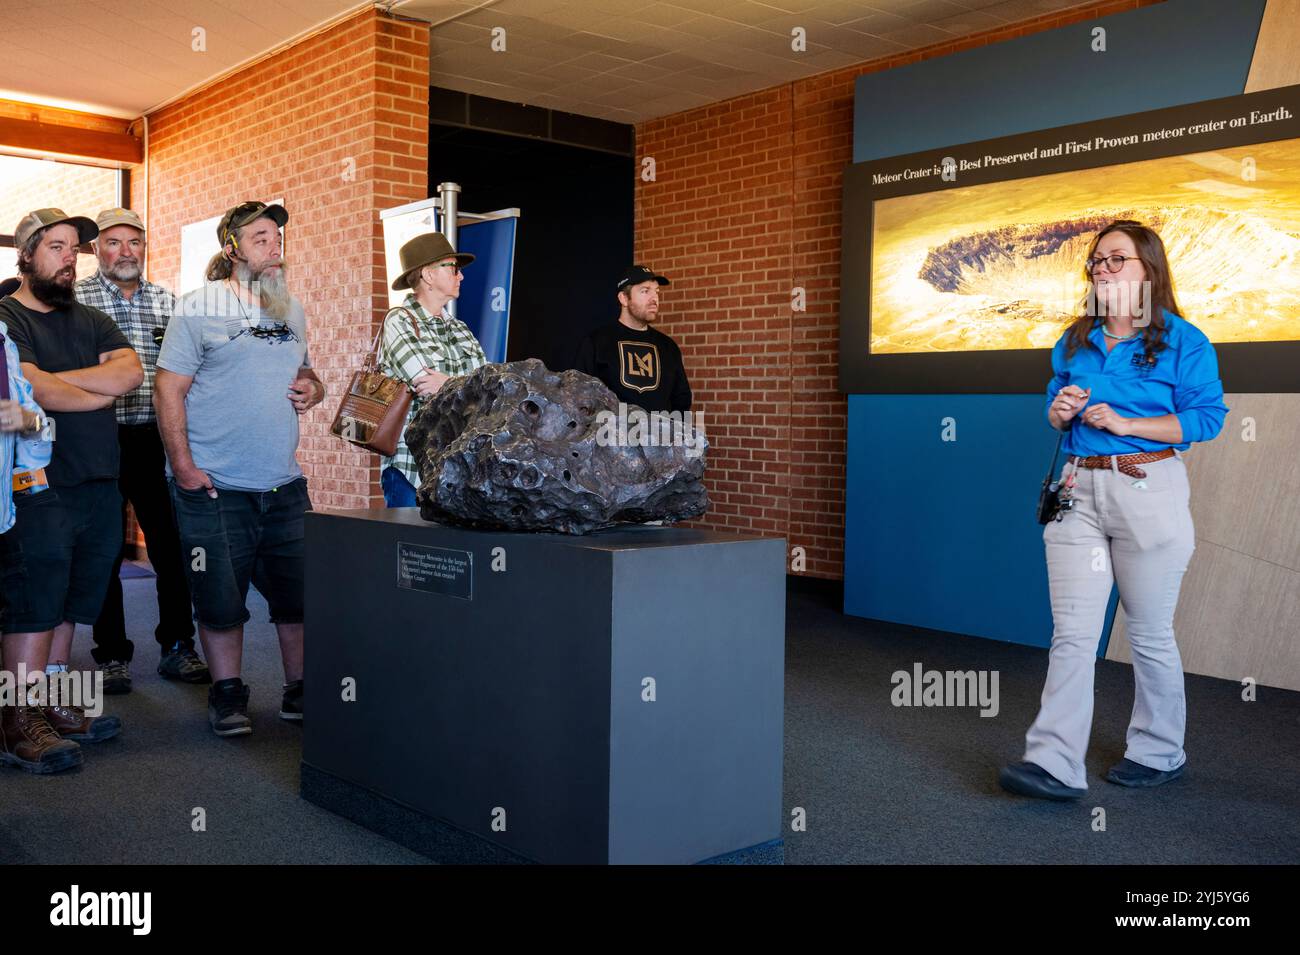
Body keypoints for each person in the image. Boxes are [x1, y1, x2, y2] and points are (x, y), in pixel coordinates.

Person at [1000, 219, 1228, 801]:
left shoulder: (1184, 340)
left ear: (1148, 269)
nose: (1102, 269)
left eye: (1116, 259)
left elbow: (1206, 419)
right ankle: (1054, 763)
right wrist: (1063, 410)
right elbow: (1055, 411)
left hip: (1147, 489)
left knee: (1148, 633)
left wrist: (1128, 425)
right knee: (1072, 634)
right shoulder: (1076, 339)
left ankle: (1159, 751)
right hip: (1078, 489)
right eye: (1097, 261)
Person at [154, 201, 325, 736]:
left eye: (277, 238)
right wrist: (183, 465)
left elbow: (304, 371)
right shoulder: (198, 307)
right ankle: (227, 694)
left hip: (283, 480)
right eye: (260, 238)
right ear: (231, 249)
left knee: (299, 594)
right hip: (214, 483)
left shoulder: (290, 309)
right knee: (219, 596)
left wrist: (314, 387)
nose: (274, 246)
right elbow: (168, 389)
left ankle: (299, 690)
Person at [0, 208, 141, 762]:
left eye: (73, 249)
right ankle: (16, 723)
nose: (69, 258)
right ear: (27, 254)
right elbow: (25, 392)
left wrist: (56, 387)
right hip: (36, 487)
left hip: (99, 481)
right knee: (35, 605)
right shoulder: (8, 317)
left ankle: (50, 703)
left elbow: (131, 372)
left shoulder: (90, 319)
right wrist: (94, 393)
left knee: (72, 604)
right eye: (56, 246)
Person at [75, 207, 208, 694]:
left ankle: (179, 645)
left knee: (171, 547)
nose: (126, 251)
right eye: (114, 242)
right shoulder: (75, 300)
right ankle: (111, 655)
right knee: (105, 548)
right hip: (97, 440)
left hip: (157, 439)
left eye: (135, 242)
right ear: (97, 250)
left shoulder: (170, 303)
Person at [0, 292, 80, 773]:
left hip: (12, 503)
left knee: (30, 604)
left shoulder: (3, 341)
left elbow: (37, 421)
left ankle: (18, 719)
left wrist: (28, 421)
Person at [376, 232, 487, 507]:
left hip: (459, 467)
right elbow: (425, 384)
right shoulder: (398, 321)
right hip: (411, 470)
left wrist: (447, 384)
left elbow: (486, 388)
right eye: (453, 268)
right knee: (408, 549)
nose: (460, 276)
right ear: (428, 275)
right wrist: (464, 386)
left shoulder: (461, 330)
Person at [574, 265, 692, 413]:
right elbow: (579, 396)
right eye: (645, 291)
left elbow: (681, 400)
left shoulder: (668, 347)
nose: (654, 298)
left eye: (656, 292)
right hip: (610, 434)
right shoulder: (597, 342)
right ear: (624, 298)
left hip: (658, 435)